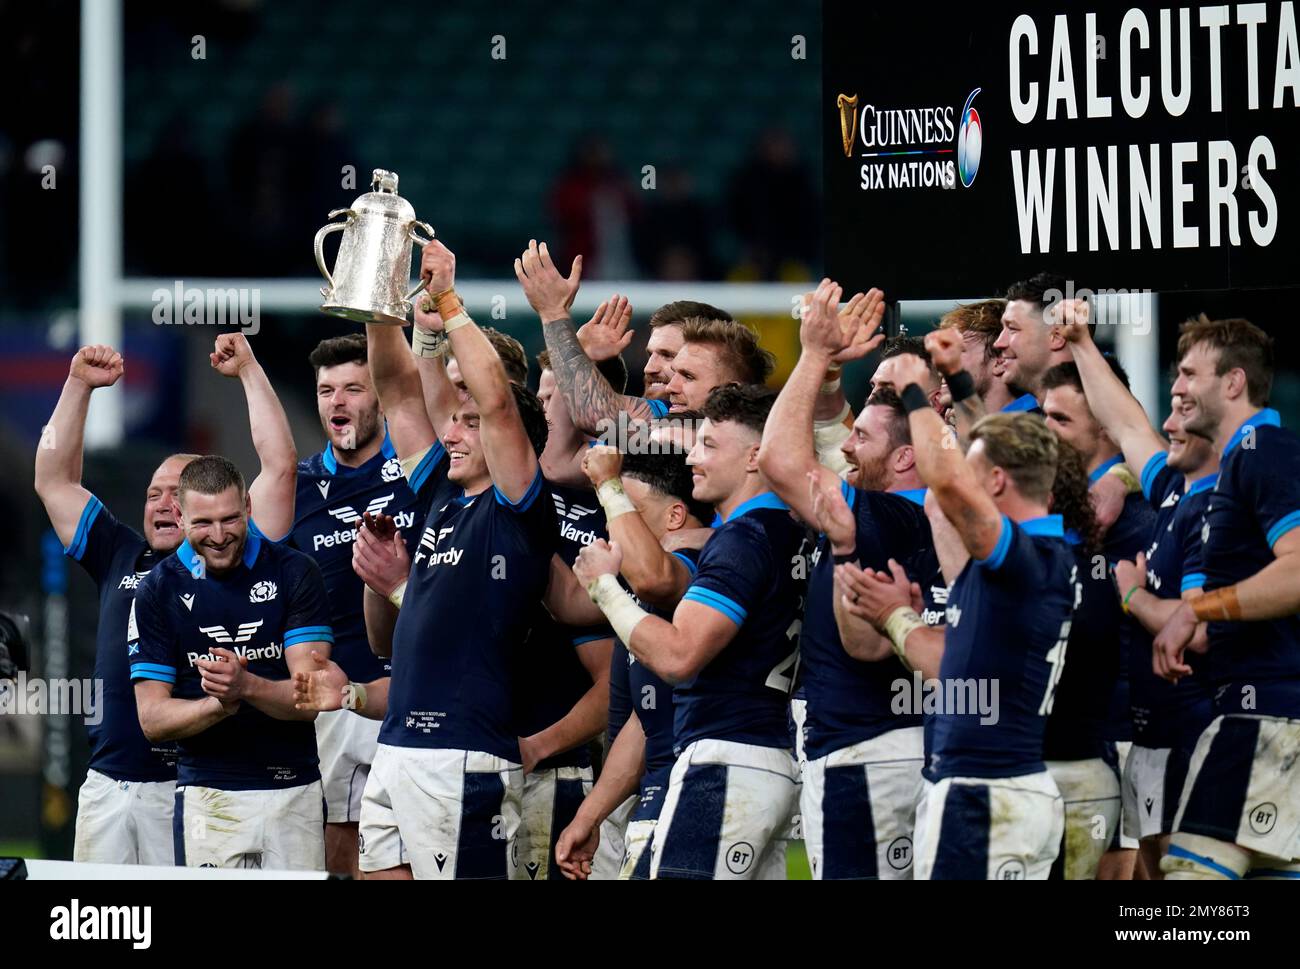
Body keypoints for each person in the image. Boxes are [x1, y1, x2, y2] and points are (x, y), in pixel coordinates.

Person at [35, 335, 297, 866]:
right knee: (98, 922)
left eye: (175, 494)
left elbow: (281, 469)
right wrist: (78, 384)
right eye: (153, 493)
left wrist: (248, 370)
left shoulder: (234, 557)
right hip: (108, 784)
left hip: (188, 787)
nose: (160, 504)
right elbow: (53, 479)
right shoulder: (119, 553)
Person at [349, 238, 555, 880]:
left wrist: (448, 300)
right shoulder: (441, 490)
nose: (453, 431)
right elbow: (399, 394)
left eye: (469, 423)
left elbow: (496, 402)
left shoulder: (520, 508)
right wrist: (383, 295)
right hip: (396, 749)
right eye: (453, 422)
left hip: (464, 753)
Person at [838, 364, 1078, 879]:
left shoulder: (1023, 556)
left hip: (984, 795)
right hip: (1003, 789)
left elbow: (943, 484)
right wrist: (895, 615)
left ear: (993, 481)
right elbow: (949, 669)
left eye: (972, 470)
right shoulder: (1020, 565)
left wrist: (912, 392)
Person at [574, 384, 806, 879]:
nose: (694, 459)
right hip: (767, 758)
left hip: (725, 761)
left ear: (754, 458)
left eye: (710, 446)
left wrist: (604, 589)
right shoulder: (791, 531)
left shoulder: (744, 537)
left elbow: (679, 657)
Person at [759, 279, 945, 880]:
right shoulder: (937, 512)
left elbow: (780, 461)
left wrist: (813, 355)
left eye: (860, 438)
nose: (845, 451)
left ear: (905, 459)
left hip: (866, 755)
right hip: (909, 746)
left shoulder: (884, 511)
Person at [1061, 321, 1219, 878]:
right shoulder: (1171, 490)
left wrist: (1131, 594)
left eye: (1182, 413)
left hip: (1193, 730)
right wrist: (1080, 341)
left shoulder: (1212, 507)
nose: (1166, 424)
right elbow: (1128, 424)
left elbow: (1192, 625)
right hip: (1149, 734)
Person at [129, 456, 332, 869]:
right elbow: (151, 719)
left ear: (249, 509)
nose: (219, 536)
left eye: (230, 519)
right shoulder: (156, 590)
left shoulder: (295, 572)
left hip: (293, 789)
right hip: (208, 794)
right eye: (203, 522)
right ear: (181, 516)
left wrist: (246, 686)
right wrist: (219, 704)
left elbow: (311, 698)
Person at [276, 333, 429, 877]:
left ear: (381, 396)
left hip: (426, 690)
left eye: (352, 389)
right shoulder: (298, 488)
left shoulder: (422, 471)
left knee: (425, 841)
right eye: (325, 391)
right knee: (344, 841)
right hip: (344, 698)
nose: (337, 402)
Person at [1153, 317, 1300, 880]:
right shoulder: (1243, 458)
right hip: (1261, 711)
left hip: (1262, 717)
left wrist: (1194, 608)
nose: (1178, 387)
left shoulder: (1263, 450)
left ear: (1234, 382)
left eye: (1190, 373)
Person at [553, 450, 711, 879]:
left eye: (629, 510)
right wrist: (590, 815)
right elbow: (644, 722)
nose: (612, 525)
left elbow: (656, 577)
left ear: (676, 516)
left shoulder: (699, 573)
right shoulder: (642, 592)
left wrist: (603, 583)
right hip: (645, 793)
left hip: (690, 794)